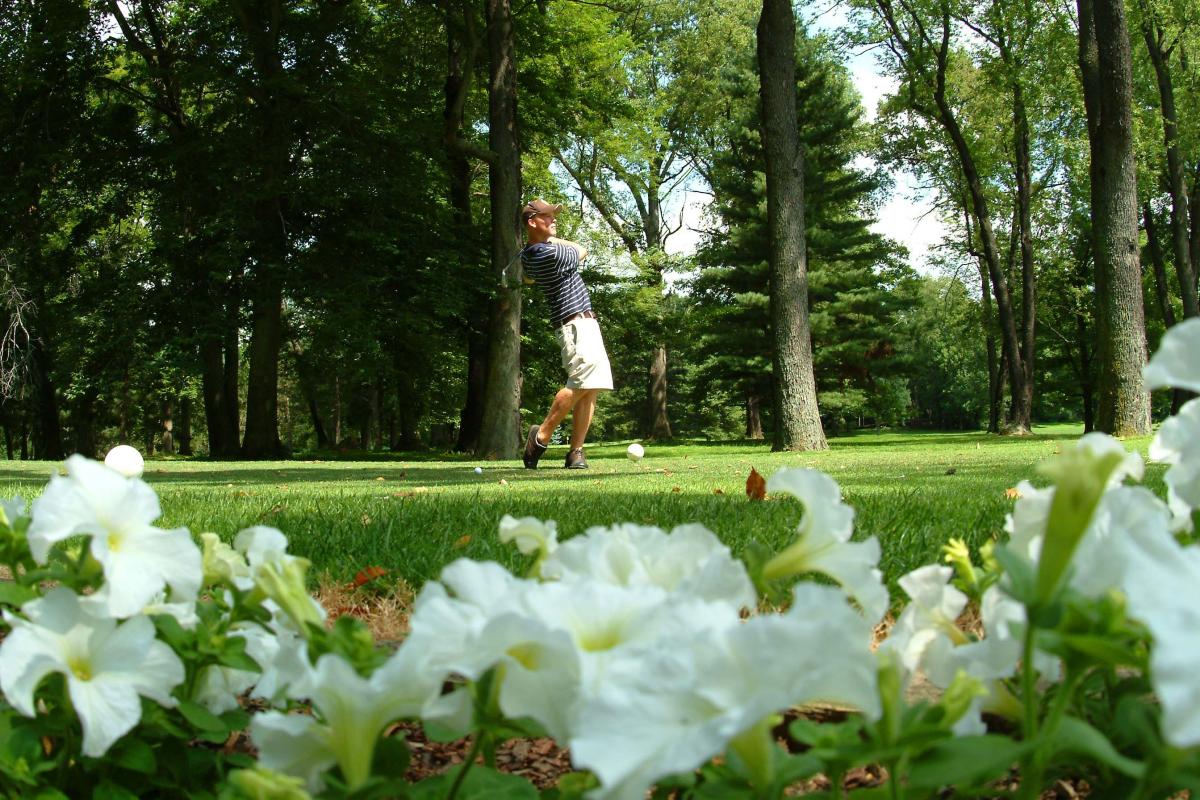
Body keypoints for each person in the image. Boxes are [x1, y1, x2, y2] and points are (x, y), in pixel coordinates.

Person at [519, 198, 613, 469]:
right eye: (547, 217)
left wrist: (541, 240)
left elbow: (528, 278)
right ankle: (541, 436)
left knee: (591, 386)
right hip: (574, 324)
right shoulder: (548, 253)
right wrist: (552, 241)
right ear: (532, 222)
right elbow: (582, 250)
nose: (554, 220)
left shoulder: (532, 254)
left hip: (585, 321)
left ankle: (576, 452)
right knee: (580, 382)